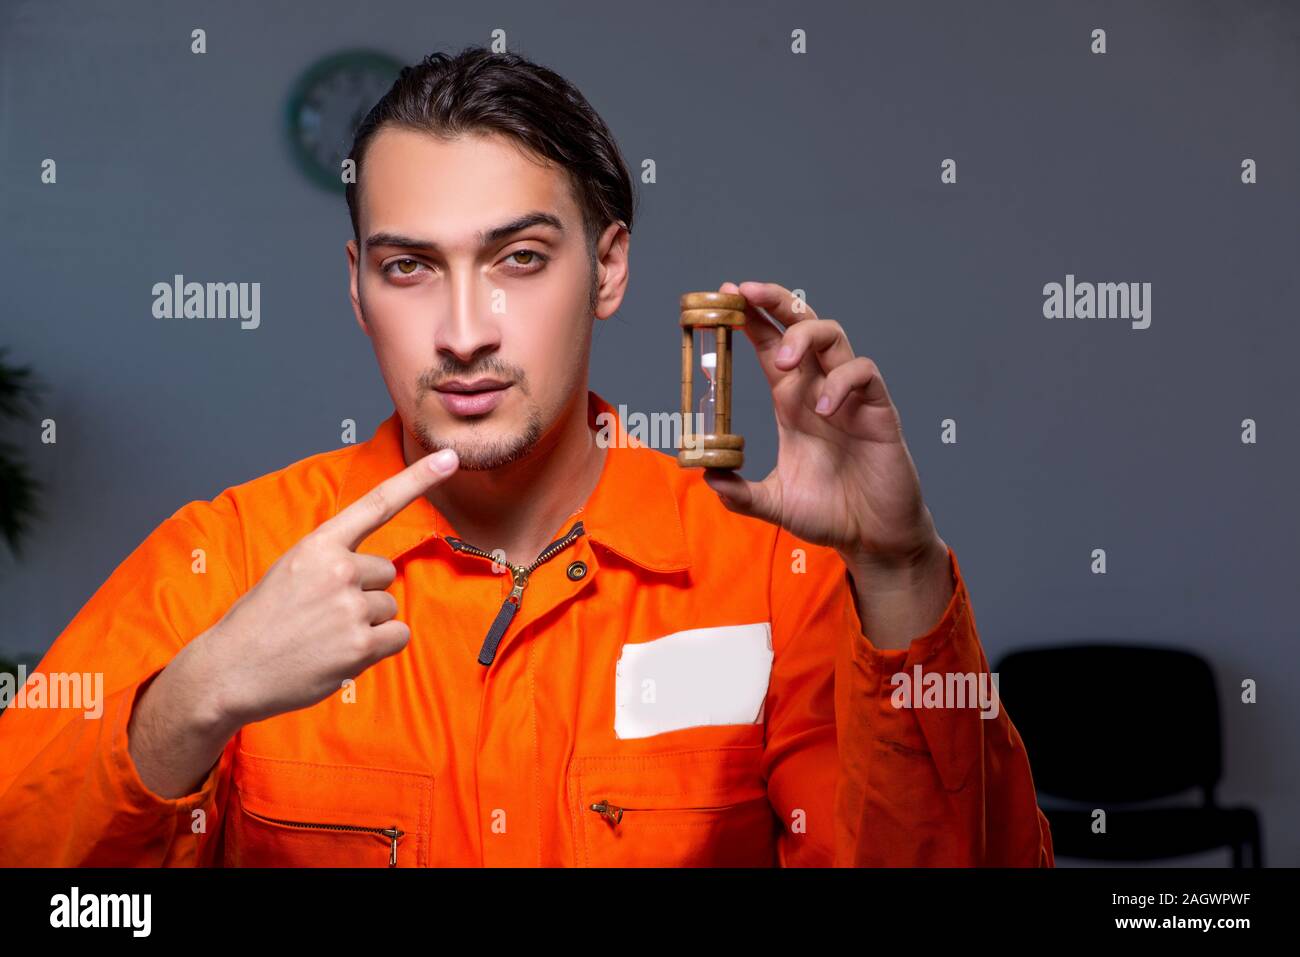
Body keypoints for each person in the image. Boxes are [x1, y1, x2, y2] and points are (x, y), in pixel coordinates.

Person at [0, 46, 1052, 867]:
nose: (465, 328)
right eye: (410, 266)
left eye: (518, 260)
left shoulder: (769, 576)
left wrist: (900, 570)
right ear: (357, 287)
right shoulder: (222, 561)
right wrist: (190, 706)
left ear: (608, 268)